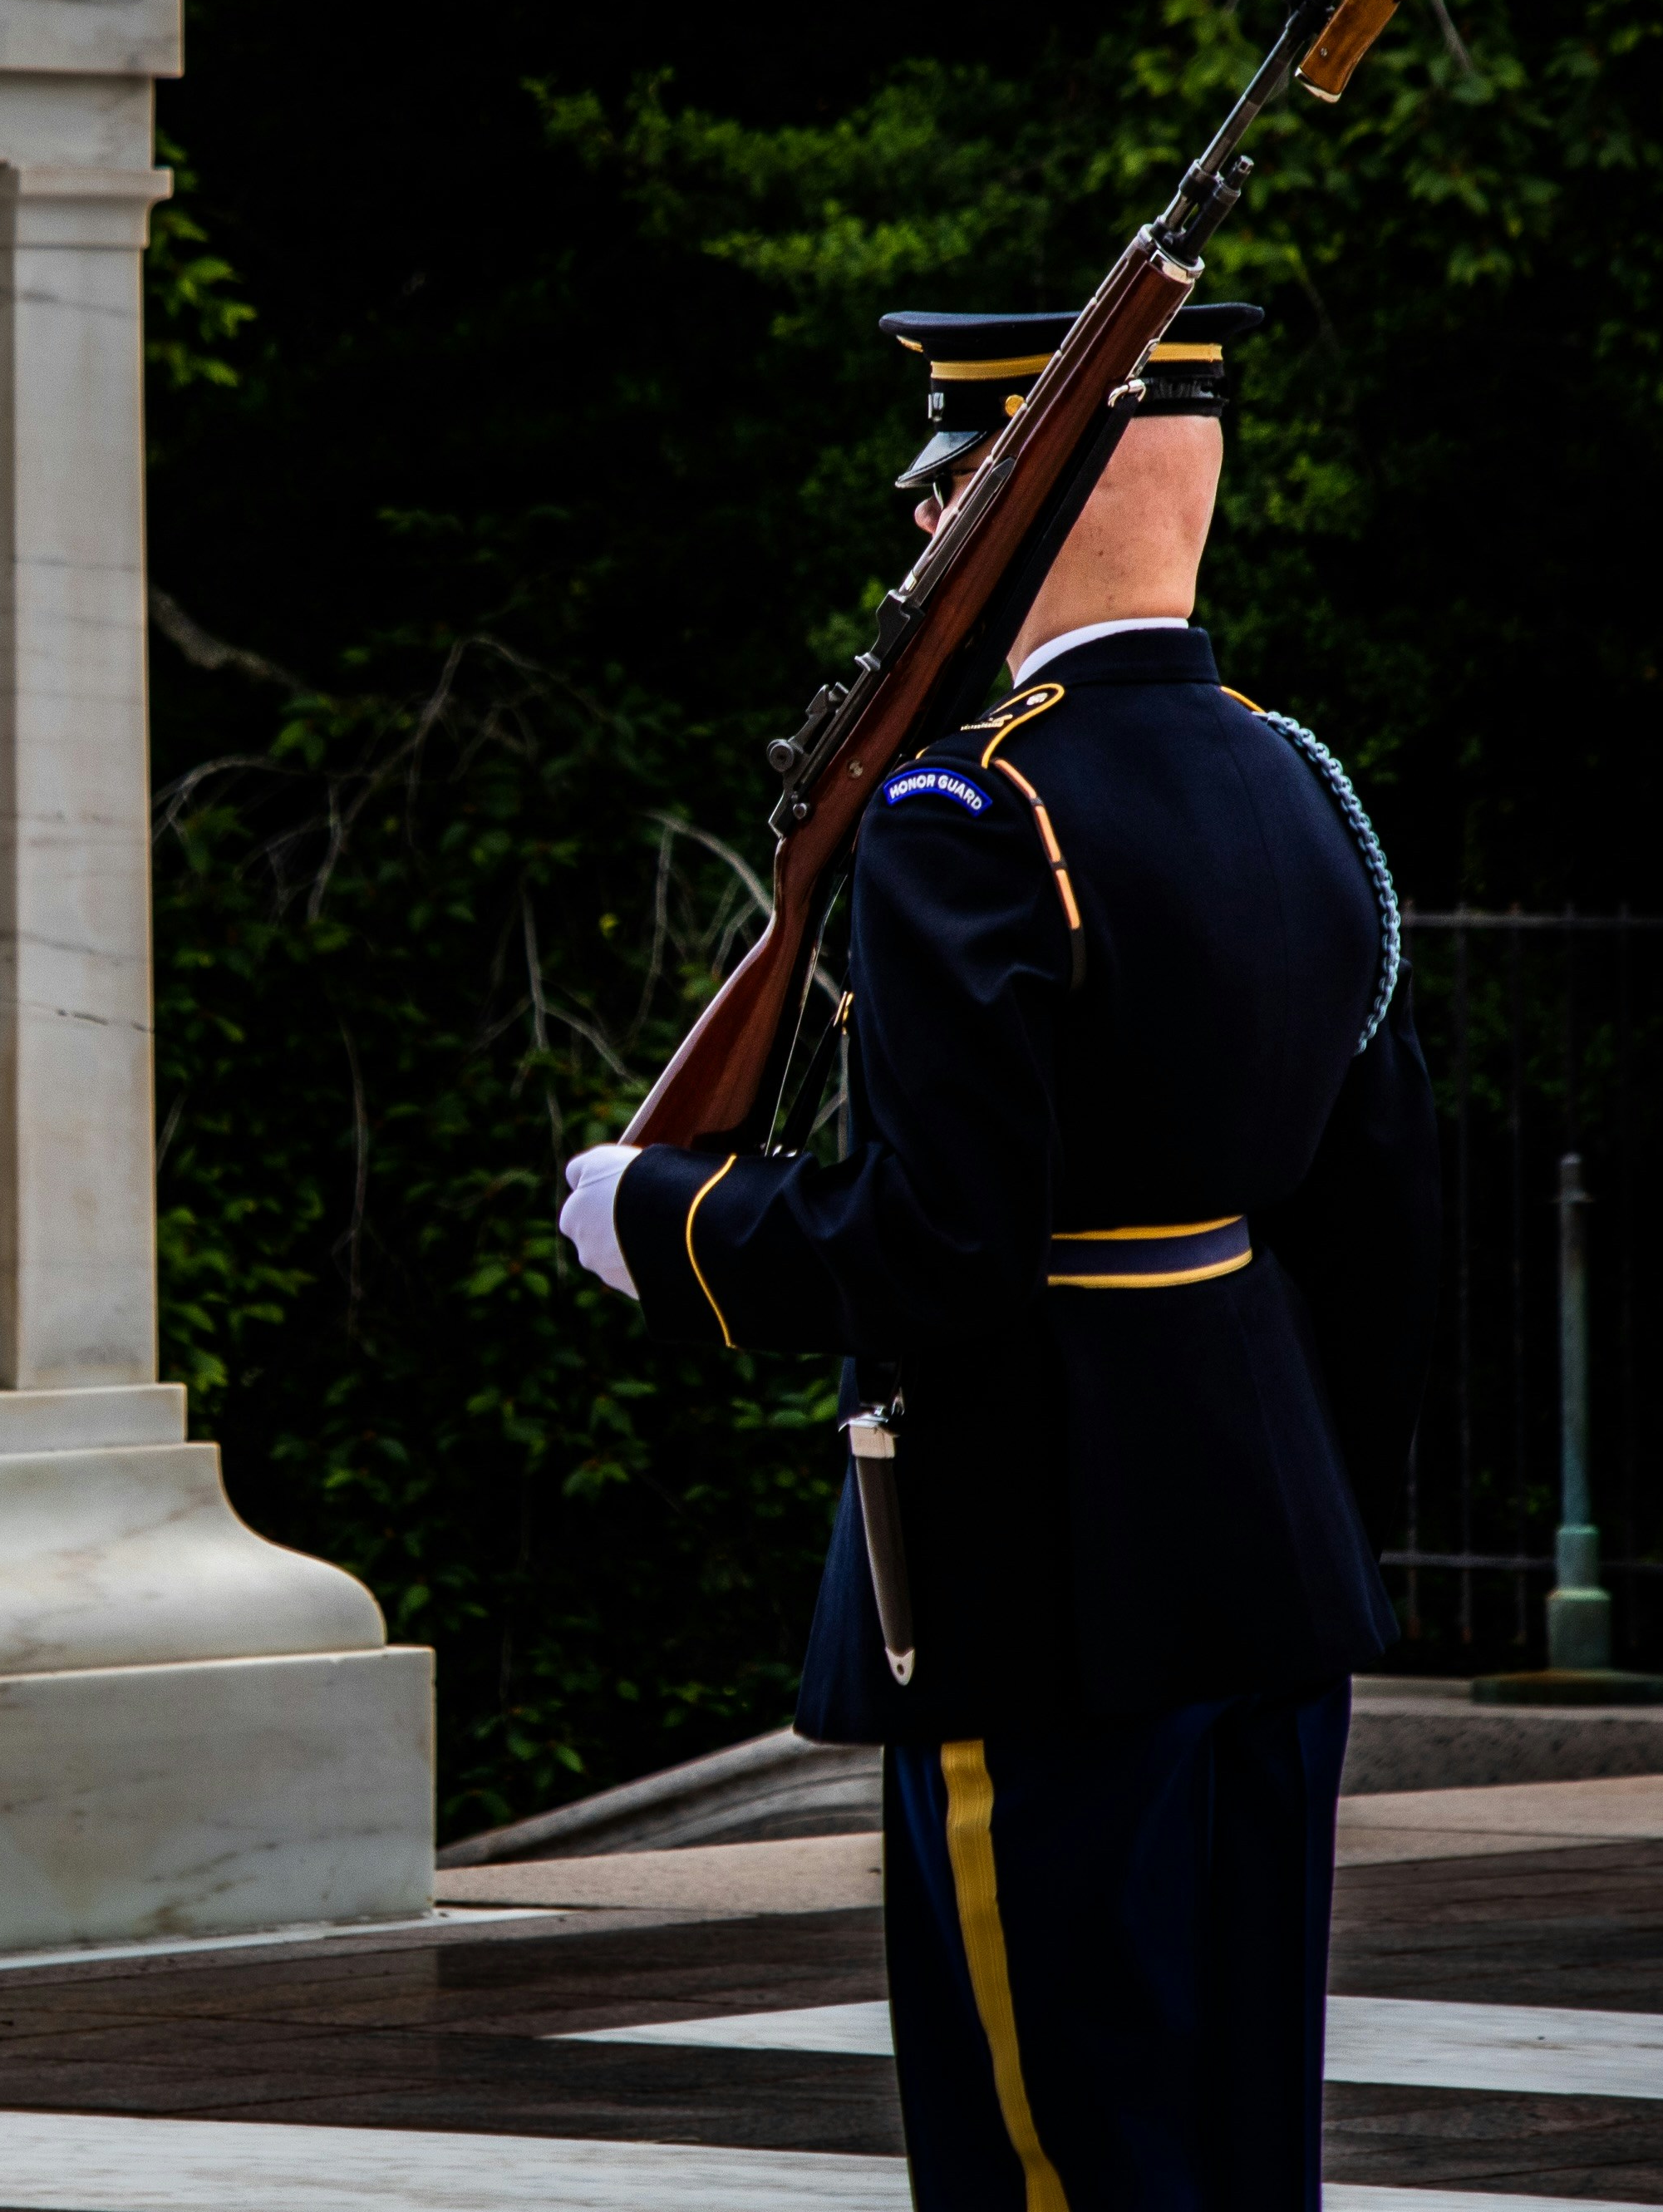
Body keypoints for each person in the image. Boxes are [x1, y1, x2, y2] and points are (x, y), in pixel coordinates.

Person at [555, 305, 1438, 2212]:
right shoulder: (1305, 788)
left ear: (993, 515)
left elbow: (935, 1250)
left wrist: (665, 1225)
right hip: (1272, 1578)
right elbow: (1378, 1230)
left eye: (938, 505)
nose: (914, 557)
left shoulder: (973, 812)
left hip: (1035, 1577)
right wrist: (1324, 1535)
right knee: (1231, 2145)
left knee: (1043, 2152)